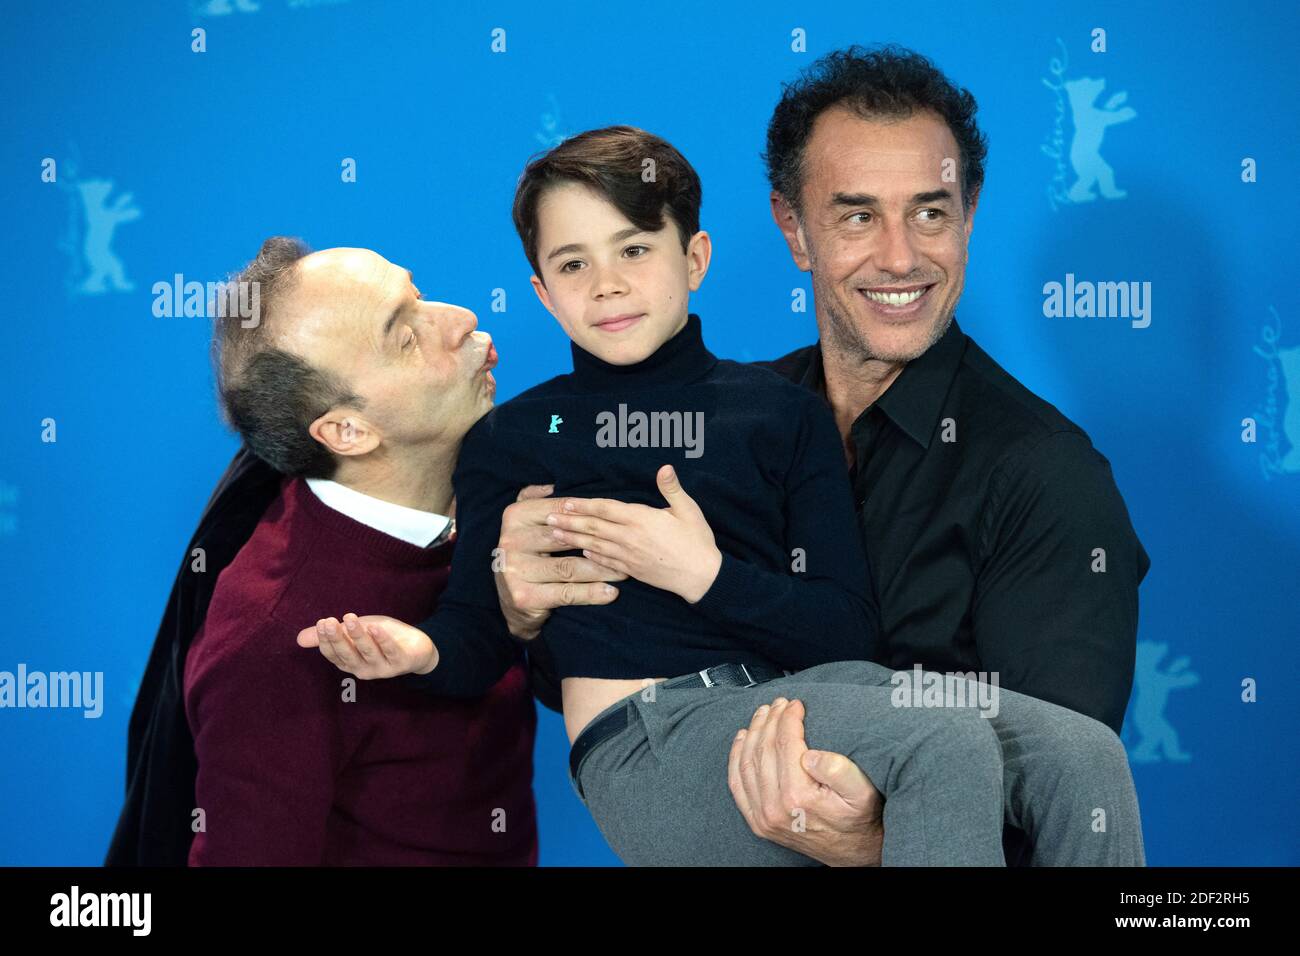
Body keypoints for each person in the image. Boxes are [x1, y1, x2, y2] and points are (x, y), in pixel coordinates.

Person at [300, 125, 1145, 866]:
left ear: (693, 258)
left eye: (634, 249)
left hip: (799, 698)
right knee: (945, 743)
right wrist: (421, 652)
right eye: (573, 264)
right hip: (645, 739)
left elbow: (844, 626)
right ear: (542, 293)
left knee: (1081, 755)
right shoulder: (515, 437)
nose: (607, 283)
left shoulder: (783, 415)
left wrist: (700, 572)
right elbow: (479, 632)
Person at [178, 239, 537, 864]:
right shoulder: (274, 641)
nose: (461, 320)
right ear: (346, 431)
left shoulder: (500, 500)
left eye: (420, 296)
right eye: (405, 336)